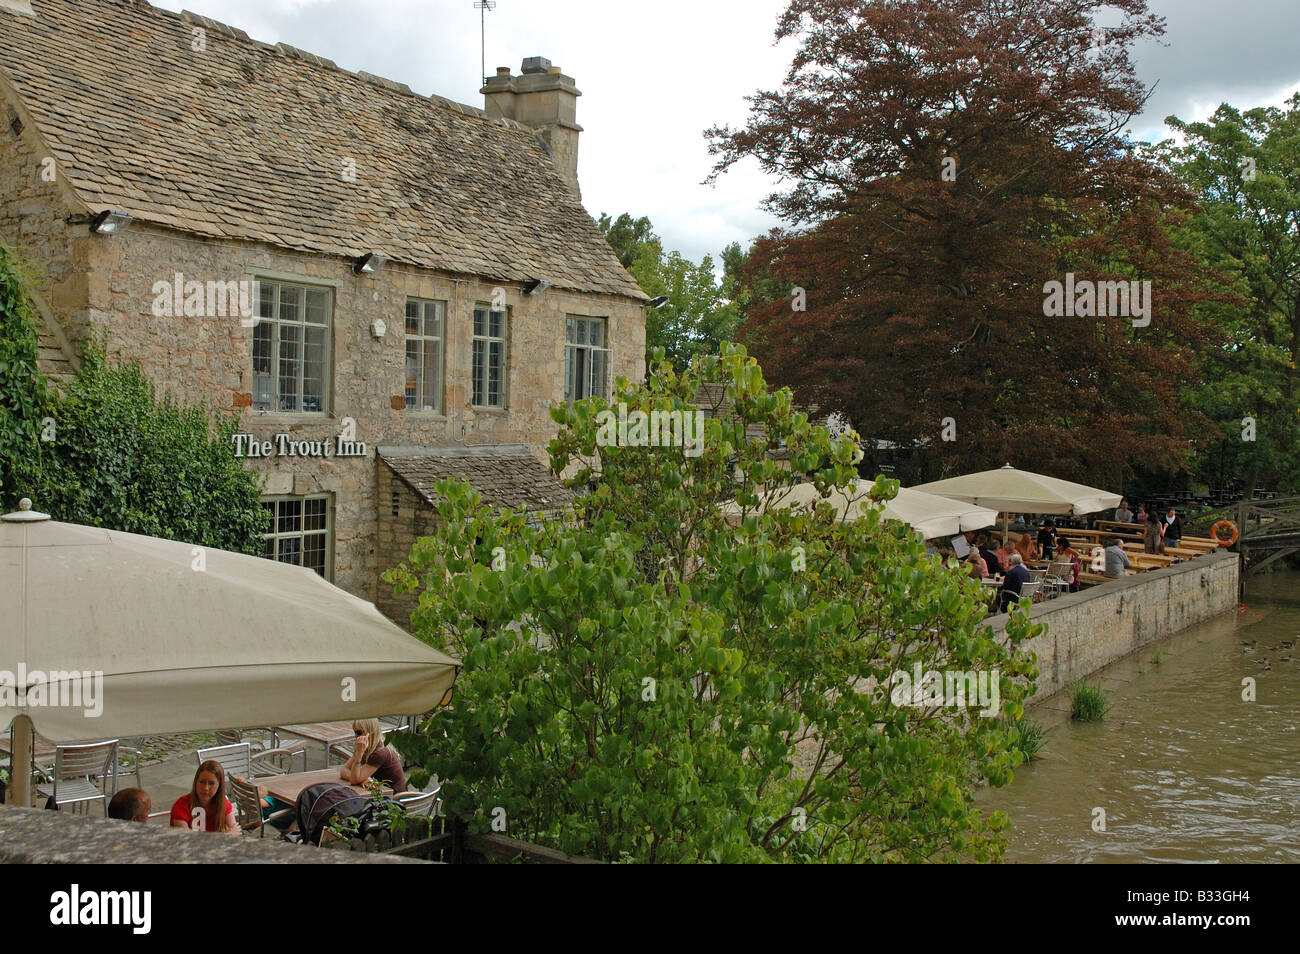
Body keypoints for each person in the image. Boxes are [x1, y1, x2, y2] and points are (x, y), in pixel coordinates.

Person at [171, 760, 240, 834]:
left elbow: (236, 833)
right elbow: (186, 841)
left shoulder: (223, 804)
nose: (206, 788)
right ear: (196, 782)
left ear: (219, 786)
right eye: (202, 782)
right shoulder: (181, 806)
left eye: (211, 783)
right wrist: (226, 836)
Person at [341, 718, 407, 793]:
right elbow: (344, 771)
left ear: (370, 732)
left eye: (359, 732)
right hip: (381, 792)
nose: (356, 736)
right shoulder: (366, 746)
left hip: (394, 797)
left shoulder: (379, 753)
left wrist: (359, 755)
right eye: (354, 732)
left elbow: (354, 781)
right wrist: (363, 779)